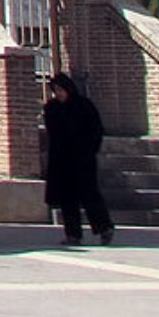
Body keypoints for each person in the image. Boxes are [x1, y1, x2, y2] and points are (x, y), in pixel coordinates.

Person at [43, 71, 114, 246]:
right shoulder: (52, 108)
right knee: (68, 198)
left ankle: (104, 227)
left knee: (89, 194)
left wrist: (89, 150)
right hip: (62, 160)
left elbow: (96, 130)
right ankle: (73, 234)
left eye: (61, 90)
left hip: (83, 159)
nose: (59, 94)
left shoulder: (83, 106)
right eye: (55, 90)